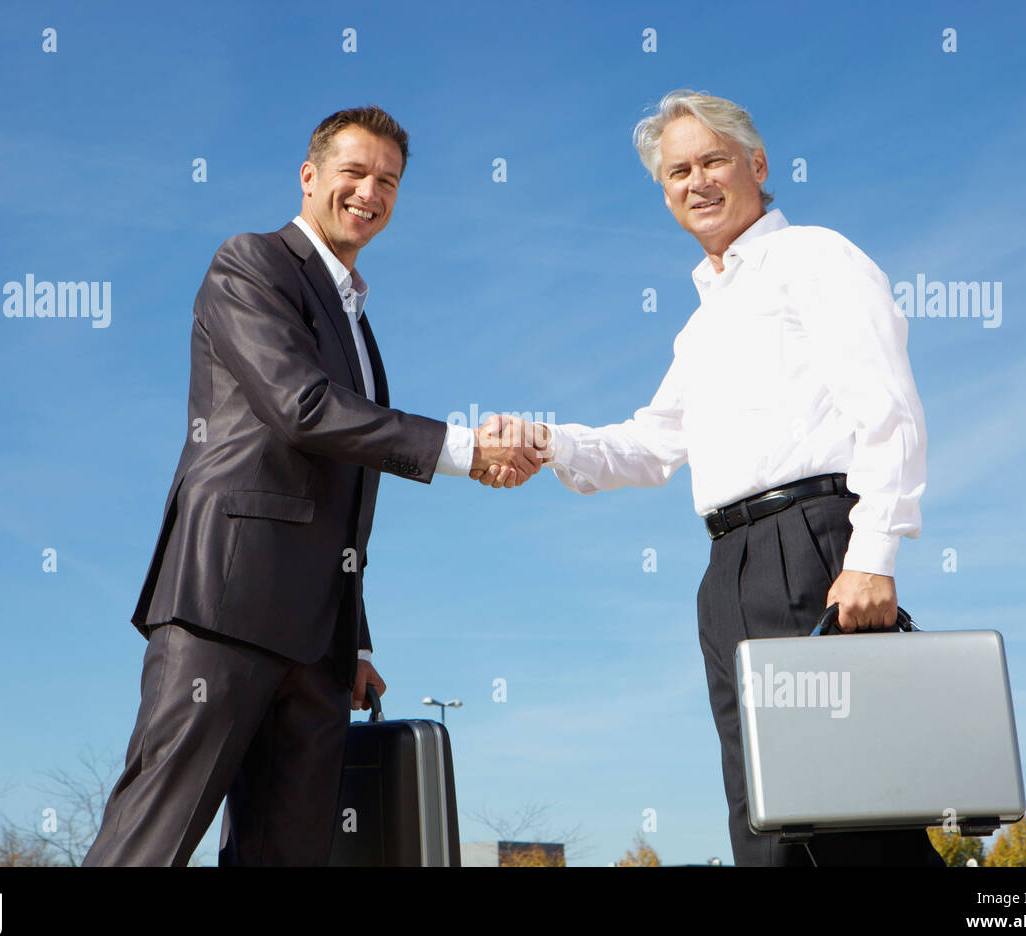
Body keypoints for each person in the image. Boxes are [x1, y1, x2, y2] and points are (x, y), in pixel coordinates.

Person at [475, 90, 944, 867]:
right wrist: (547, 443)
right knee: (764, 817)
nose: (695, 182)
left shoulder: (815, 257)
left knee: (852, 811)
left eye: (712, 161)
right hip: (729, 569)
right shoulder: (701, 323)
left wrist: (874, 554)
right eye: (676, 172)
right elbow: (652, 446)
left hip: (815, 547)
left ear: (757, 166)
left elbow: (889, 411)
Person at [84, 106, 544, 867]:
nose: (370, 192)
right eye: (354, 173)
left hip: (319, 644)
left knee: (289, 854)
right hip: (225, 609)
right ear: (309, 177)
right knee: (150, 841)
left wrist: (352, 637)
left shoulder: (359, 326)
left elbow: (344, 502)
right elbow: (304, 409)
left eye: (388, 181)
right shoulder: (251, 264)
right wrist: (465, 449)